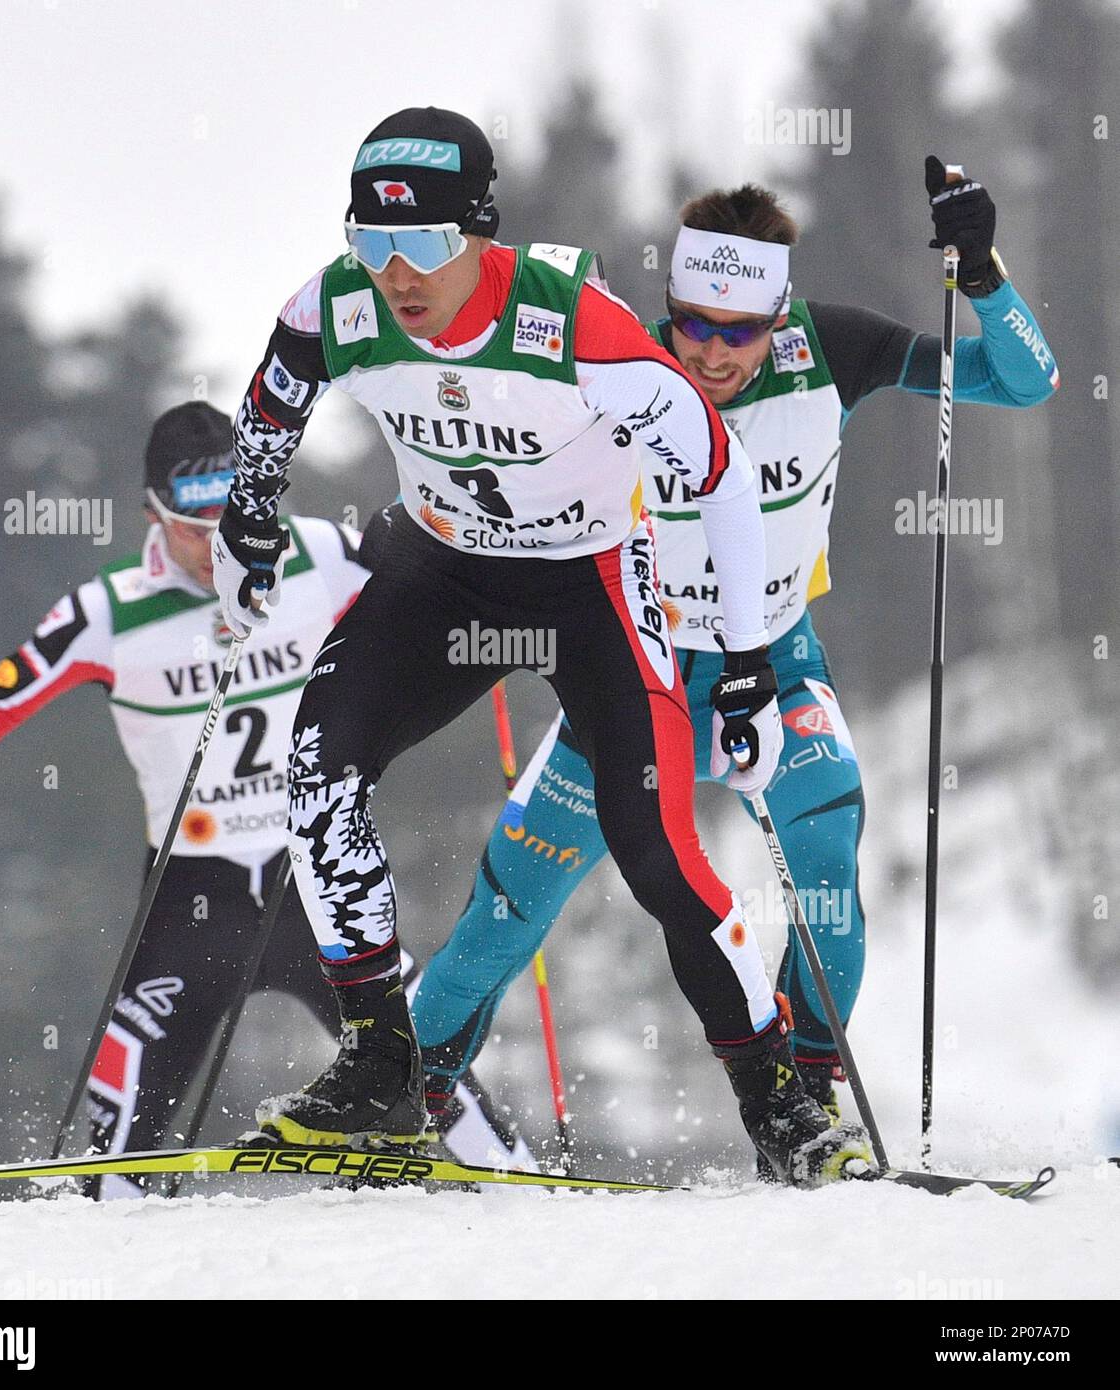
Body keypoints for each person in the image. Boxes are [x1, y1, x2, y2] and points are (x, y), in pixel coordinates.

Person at [211, 105, 872, 1187]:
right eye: (371, 245)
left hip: (590, 580)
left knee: (653, 845)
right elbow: (273, 400)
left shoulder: (577, 330)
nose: (397, 275)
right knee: (316, 776)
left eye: (423, 244)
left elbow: (721, 477)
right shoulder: (334, 306)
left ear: (481, 234)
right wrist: (247, 519)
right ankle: (381, 1062)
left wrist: (747, 662)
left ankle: (781, 1105)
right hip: (441, 573)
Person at [411, 162, 1059, 1174]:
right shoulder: (618, 360)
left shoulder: (830, 349)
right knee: (504, 912)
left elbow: (1025, 381)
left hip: (777, 668)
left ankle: (803, 1109)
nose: (708, 352)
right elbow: (477, 422)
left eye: (736, 331)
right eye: (691, 324)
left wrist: (981, 272)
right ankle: (405, 1095)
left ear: (777, 317)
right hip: (634, 679)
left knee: (829, 875)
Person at [0, 401, 531, 1198]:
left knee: (421, 1044)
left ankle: (523, 1186)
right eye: (190, 528)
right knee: (125, 1115)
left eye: (233, 520)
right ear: (152, 516)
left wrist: (494, 613)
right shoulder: (109, 609)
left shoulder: (318, 554)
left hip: (308, 875)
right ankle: (106, 1226)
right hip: (190, 896)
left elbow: (443, 585)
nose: (216, 550)